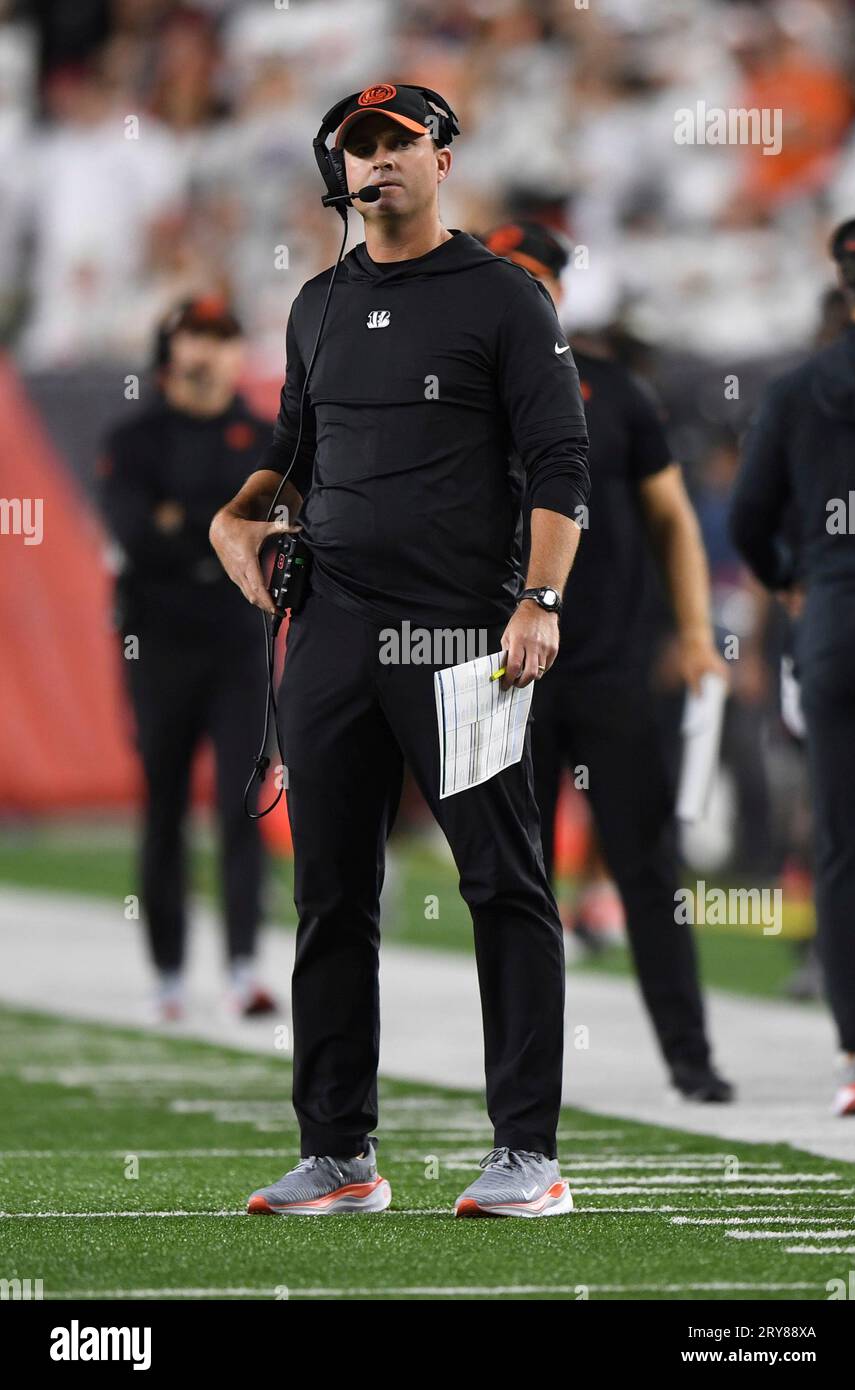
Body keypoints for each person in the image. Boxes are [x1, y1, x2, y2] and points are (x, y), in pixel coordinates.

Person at [209, 84, 590, 1217]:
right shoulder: (317, 303)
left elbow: (561, 461)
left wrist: (540, 602)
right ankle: (339, 1152)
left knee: (501, 881)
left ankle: (527, 1150)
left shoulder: (505, 298)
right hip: (328, 631)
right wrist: (242, 518)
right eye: (357, 147)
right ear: (340, 170)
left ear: (440, 159)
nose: (375, 162)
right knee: (330, 893)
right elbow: (292, 453)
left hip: (463, 636)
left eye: (396, 143)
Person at [482, 219, 734, 1103]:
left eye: (534, 277)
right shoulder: (461, 391)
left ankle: (691, 1057)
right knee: (517, 882)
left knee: (648, 867)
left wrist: (698, 633)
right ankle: (521, 1088)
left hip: (610, 669)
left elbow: (673, 520)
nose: (522, 291)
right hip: (506, 672)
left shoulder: (614, 391)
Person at [98, 297, 277, 1023]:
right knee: (165, 803)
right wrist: (221, 529)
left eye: (222, 337)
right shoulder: (137, 437)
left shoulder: (264, 436)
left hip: (239, 636)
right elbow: (139, 534)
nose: (209, 352)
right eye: (197, 337)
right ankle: (169, 972)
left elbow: (272, 531)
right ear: (171, 350)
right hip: (160, 641)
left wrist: (194, 520)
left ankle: (242, 966)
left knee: (244, 802)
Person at [730, 215, 855, 1116]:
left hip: (838, 621)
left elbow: (748, 519)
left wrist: (792, 582)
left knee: (846, 845)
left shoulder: (799, 387)